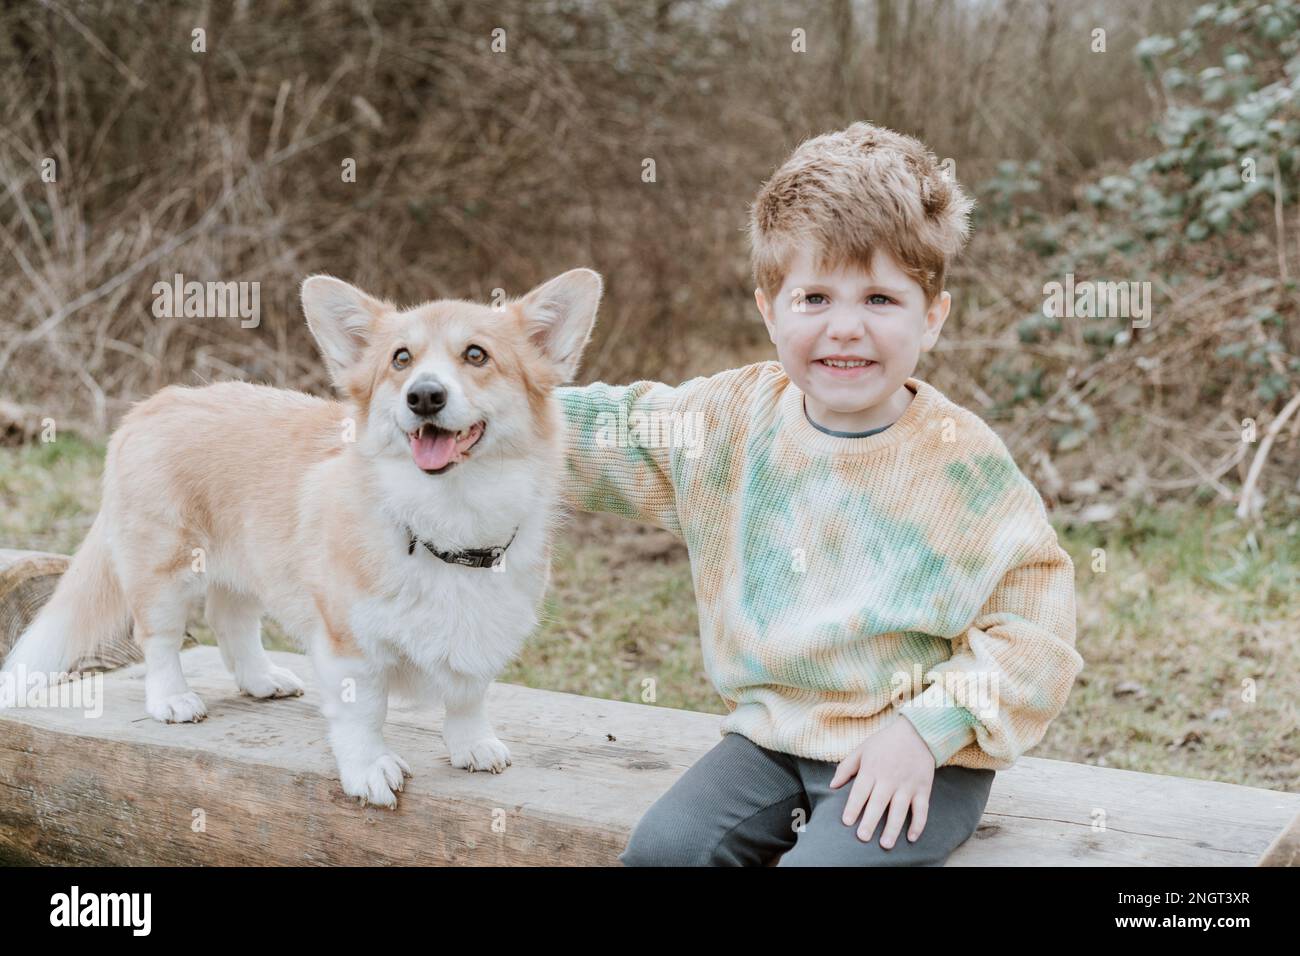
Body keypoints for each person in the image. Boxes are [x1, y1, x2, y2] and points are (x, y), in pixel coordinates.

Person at [556, 122, 1084, 866]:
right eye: (813, 297)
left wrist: (925, 732)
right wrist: (477, 409)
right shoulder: (730, 420)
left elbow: (1036, 636)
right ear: (770, 310)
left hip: (918, 757)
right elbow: (614, 431)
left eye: (878, 297)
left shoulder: (962, 466)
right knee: (662, 851)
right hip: (772, 737)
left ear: (932, 318)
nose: (845, 328)